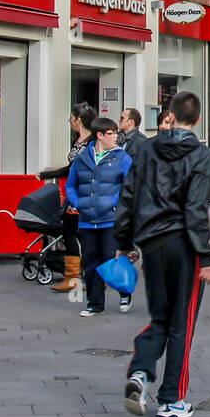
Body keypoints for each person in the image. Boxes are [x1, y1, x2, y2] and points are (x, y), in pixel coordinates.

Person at [117, 91, 210, 417]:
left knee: (160, 316)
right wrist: (206, 254)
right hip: (184, 245)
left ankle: (141, 371)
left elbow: (129, 194)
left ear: (170, 115)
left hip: (152, 244)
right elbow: (195, 208)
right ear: (198, 119)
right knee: (181, 323)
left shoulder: (145, 149)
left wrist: (123, 240)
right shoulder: (202, 155)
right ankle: (172, 399)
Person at [66, 117, 134, 317]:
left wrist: (115, 202)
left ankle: (124, 292)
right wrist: (77, 202)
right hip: (87, 220)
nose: (115, 137)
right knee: (90, 262)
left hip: (110, 219)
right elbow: (71, 185)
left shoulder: (122, 158)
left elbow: (130, 186)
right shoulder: (81, 159)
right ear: (100, 136)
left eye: (115, 133)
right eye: (111, 133)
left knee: (111, 259)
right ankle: (95, 303)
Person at [39, 101, 97, 293]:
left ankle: (92, 276)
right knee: (70, 232)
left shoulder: (92, 143)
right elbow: (70, 168)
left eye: (72, 118)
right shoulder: (78, 142)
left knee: (83, 234)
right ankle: (73, 276)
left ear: (79, 120)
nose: (70, 121)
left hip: (86, 195)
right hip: (73, 195)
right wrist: (47, 175)